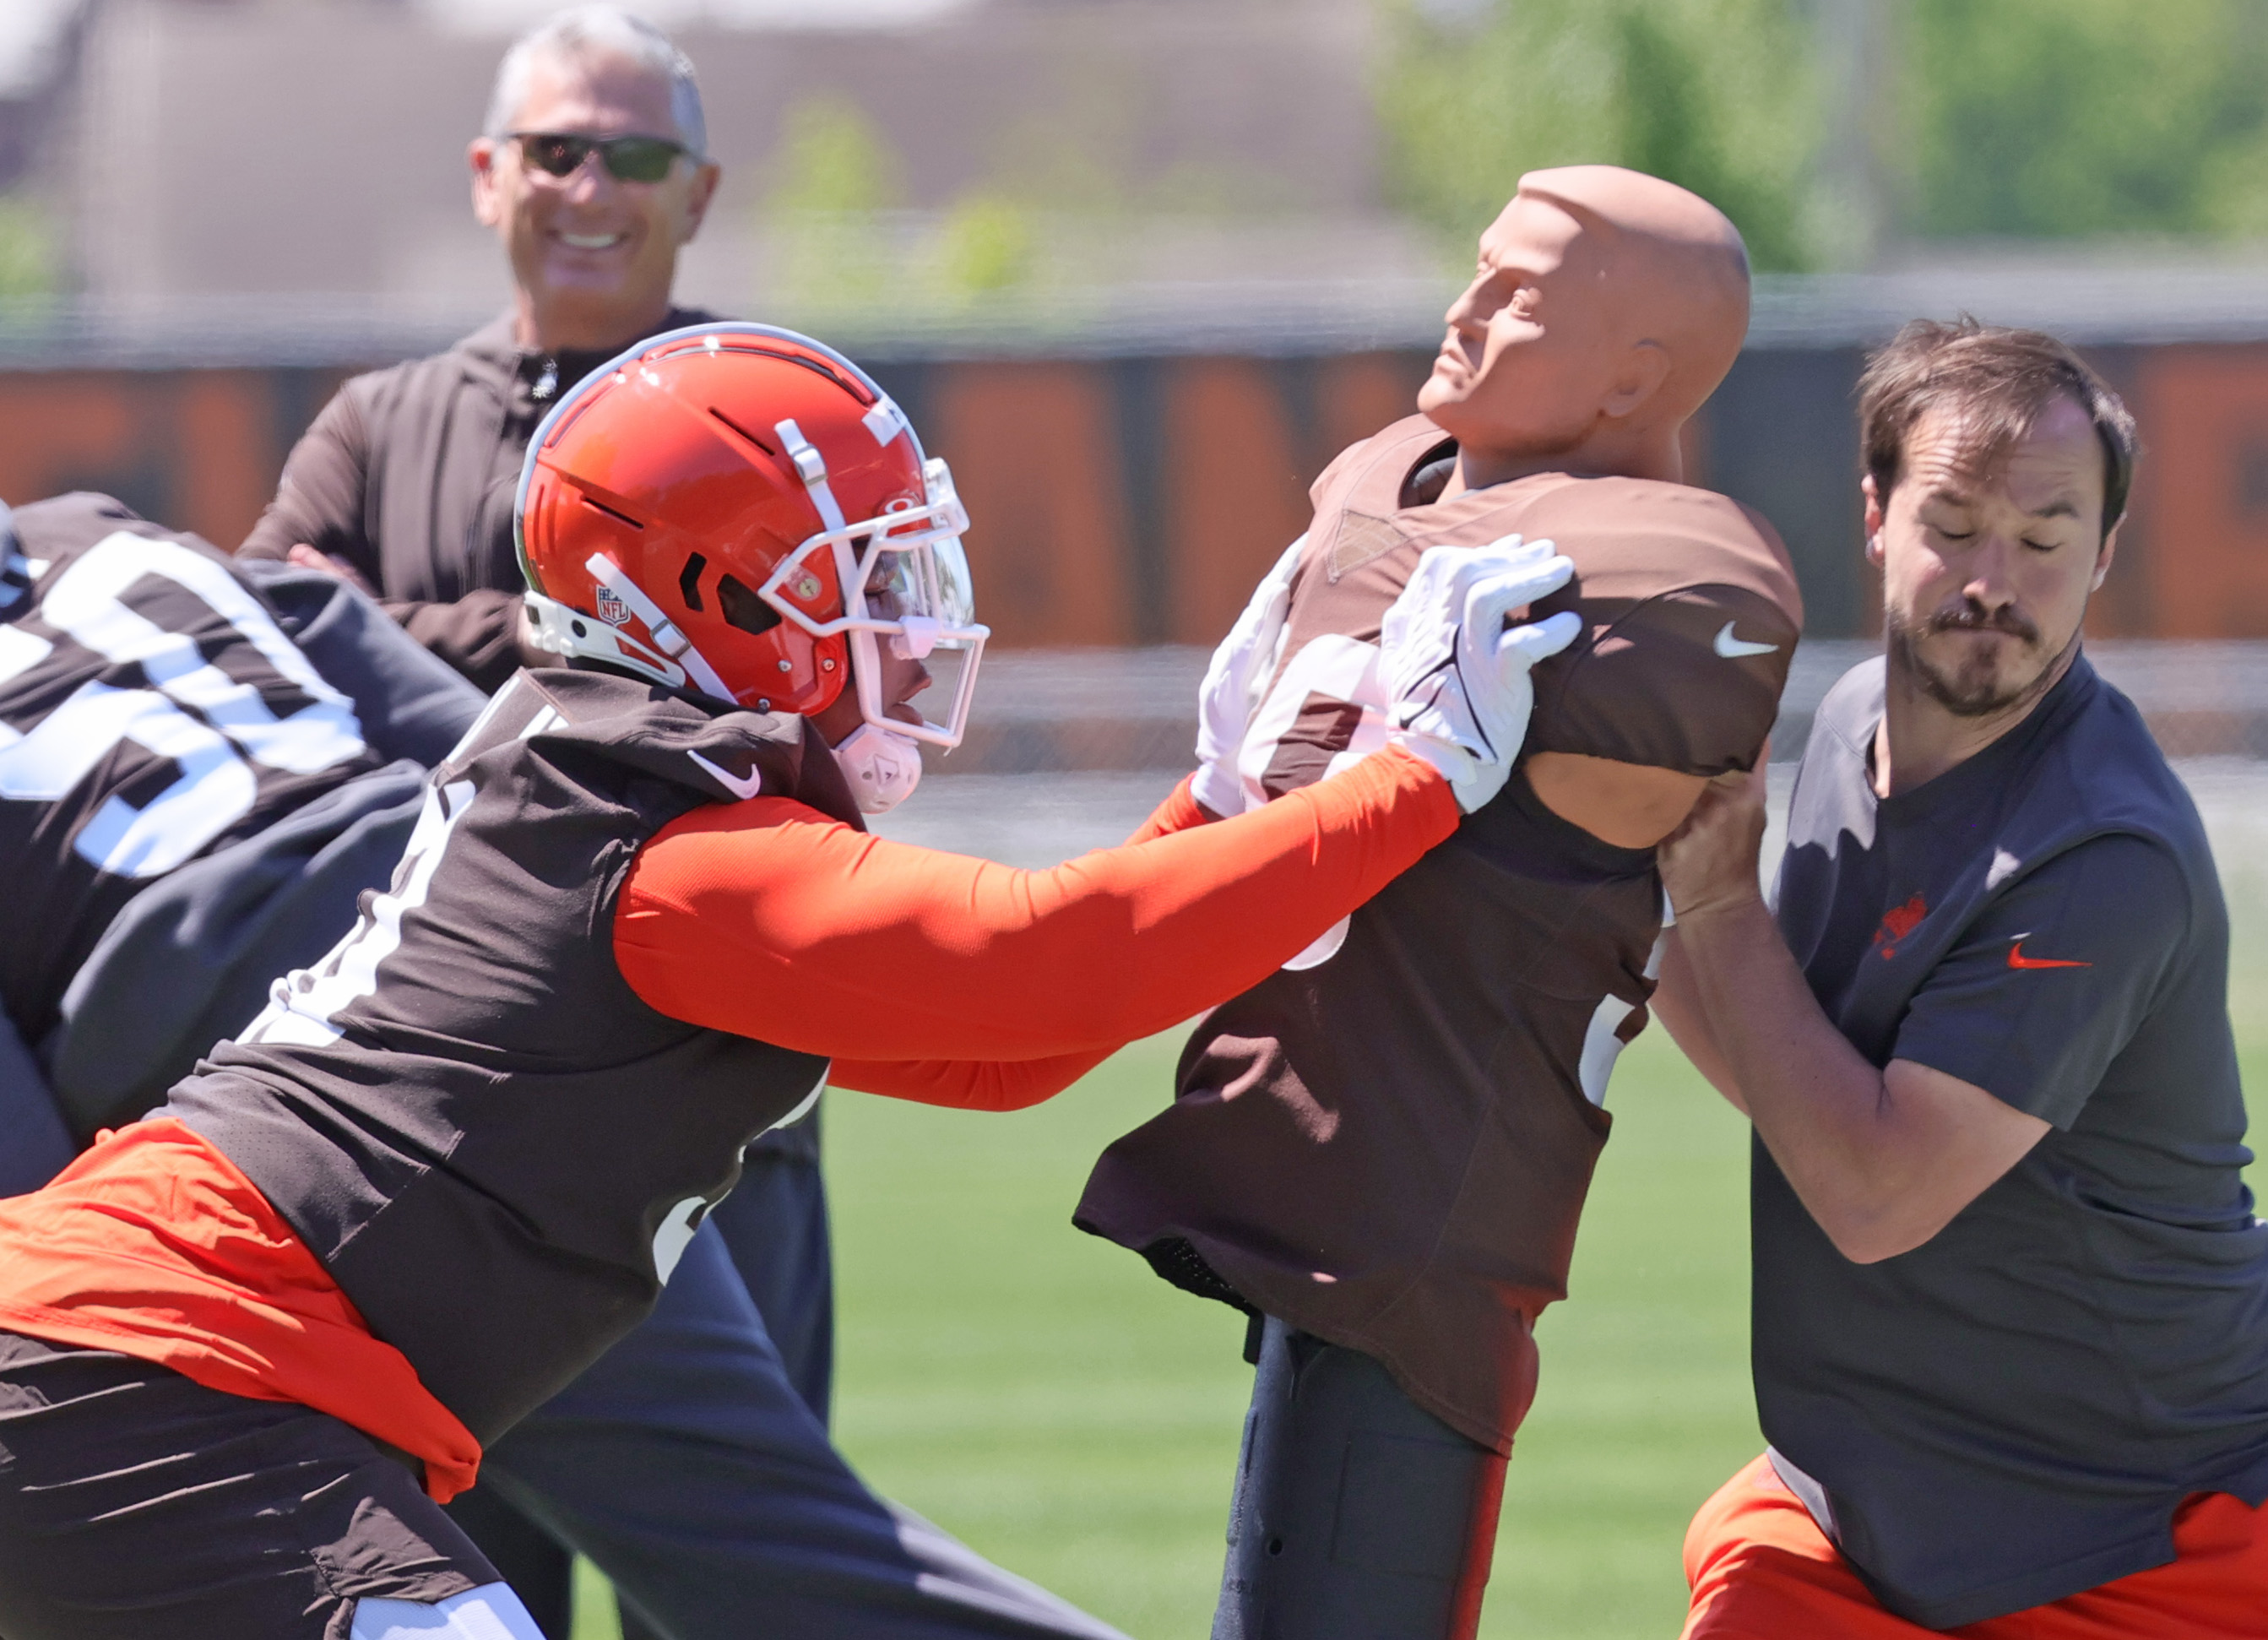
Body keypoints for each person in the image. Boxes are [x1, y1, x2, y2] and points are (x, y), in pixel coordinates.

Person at [0, 323, 1584, 1640]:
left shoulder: (609, 790)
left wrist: (1226, 798)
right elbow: (1046, 961)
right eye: (867, 576)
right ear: (711, 598)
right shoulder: (661, 845)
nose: (913, 620)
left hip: (165, 1378)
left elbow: (1003, 1050)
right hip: (152, 1375)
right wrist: (1414, 777)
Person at [1072, 166, 1804, 1640]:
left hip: (1434, 1207)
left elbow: (1706, 618)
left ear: (1634, 376)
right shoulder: (1383, 482)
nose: (1464, 309)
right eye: (1478, 269)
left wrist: (1381, 596)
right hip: (1295, 1118)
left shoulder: (1679, 578)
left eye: (1517, 293)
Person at [235, 13, 856, 1631]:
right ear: (486, 177)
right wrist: (543, 631)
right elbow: (271, 636)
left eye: (632, 155)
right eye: (555, 151)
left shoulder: (769, 420)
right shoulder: (383, 418)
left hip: (718, 1100)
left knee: (730, 1576)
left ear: (699, 191)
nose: (591, 186)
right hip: (448, 1124)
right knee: (461, 1575)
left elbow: (814, 698)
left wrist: (419, 630)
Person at [1655, 319, 2268, 1637]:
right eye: (1954, 523)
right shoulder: (1842, 730)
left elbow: (1873, 1193)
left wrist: (1711, 896)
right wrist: (1625, 875)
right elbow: (1784, 1069)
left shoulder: (2101, 852)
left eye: (2044, 539)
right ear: (1874, 517)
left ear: (2101, 556)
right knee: (1740, 1562)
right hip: (1899, 1499)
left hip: (2148, 1526)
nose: (1993, 579)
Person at [0, 491, 485, 1194]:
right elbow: (477, 740)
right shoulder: (94, 524)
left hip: (216, 1040)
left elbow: (17, 1157)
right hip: (447, 891)